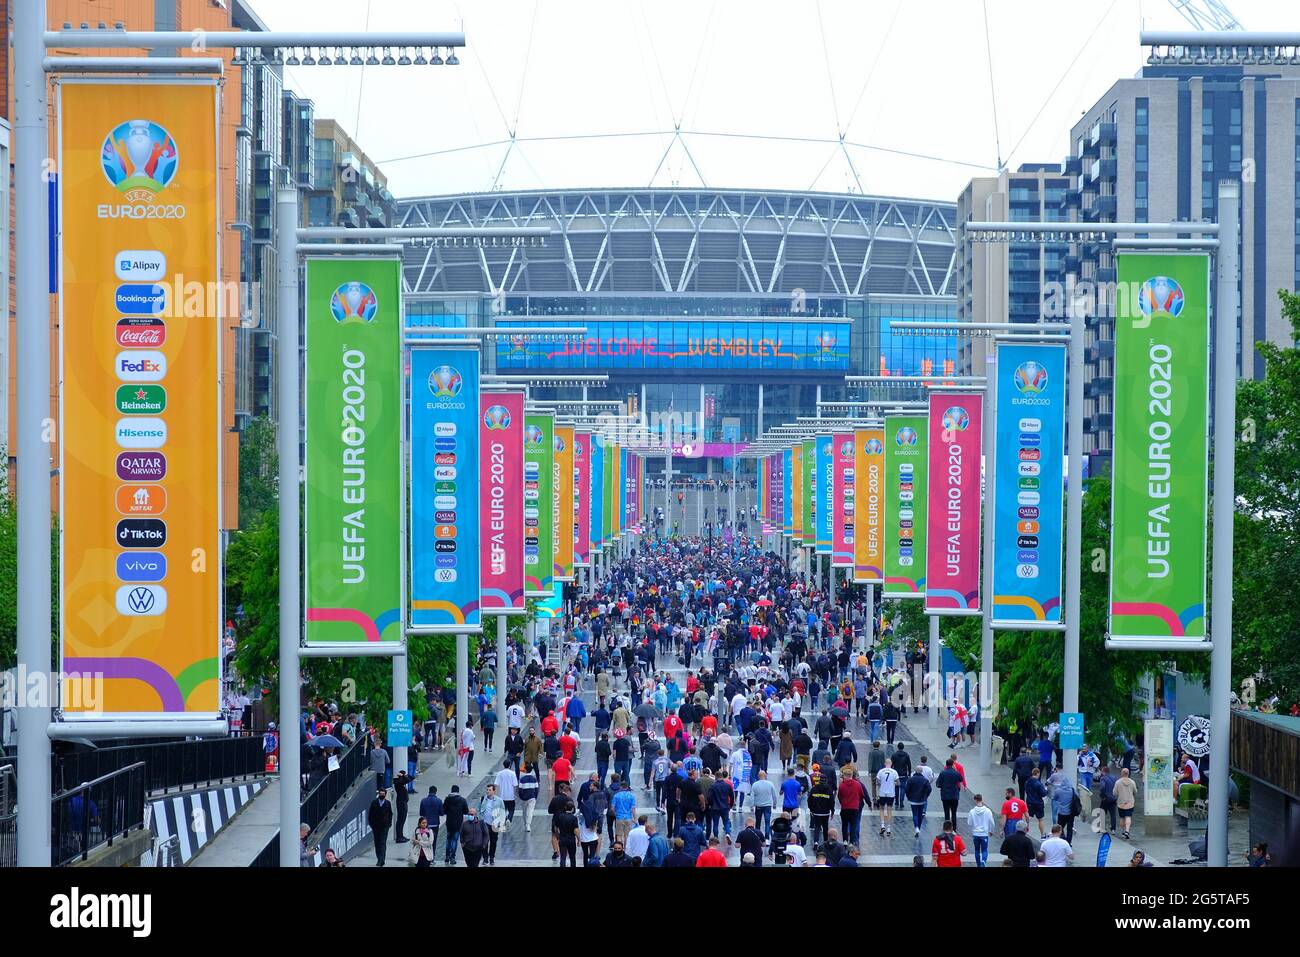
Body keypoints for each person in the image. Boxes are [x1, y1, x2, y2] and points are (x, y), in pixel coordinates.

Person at [478, 784, 505, 865]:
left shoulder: (499, 800)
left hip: (494, 824)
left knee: (493, 842)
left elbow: (502, 812)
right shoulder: (483, 799)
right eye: (487, 790)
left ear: (494, 791)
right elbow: (479, 809)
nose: (488, 791)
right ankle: (485, 858)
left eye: (489, 790)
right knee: (484, 842)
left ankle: (492, 857)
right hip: (485, 823)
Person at [442, 784, 469, 865]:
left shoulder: (447, 799)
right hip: (458, 824)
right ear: (458, 791)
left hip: (449, 823)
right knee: (454, 840)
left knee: (448, 839)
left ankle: (447, 856)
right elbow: (466, 811)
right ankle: (452, 857)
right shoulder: (462, 800)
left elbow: (444, 811)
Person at [966, 793, 995, 868]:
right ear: (982, 800)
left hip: (975, 834)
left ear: (975, 800)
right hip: (984, 834)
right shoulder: (988, 811)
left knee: (977, 850)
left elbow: (969, 823)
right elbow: (992, 822)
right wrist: (991, 831)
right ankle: (983, 861)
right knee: (984, 850)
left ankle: (978, 865)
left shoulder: (972, 811)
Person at [367, 787, 393, 866]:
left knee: (382, 843)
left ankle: (381, 859)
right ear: (378, 794)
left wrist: (389, 823)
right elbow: (370, 814)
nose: (382, 795)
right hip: (376, 826)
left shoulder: (388, 803)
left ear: (385, 794)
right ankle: (379, 857)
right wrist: (371, 824)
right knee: (377, 843)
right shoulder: (374, 803)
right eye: (380, 794)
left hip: (384, 826)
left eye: (383, 794)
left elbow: (390, 814)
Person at [904, 765, 932, 836]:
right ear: (921, 771)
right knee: (920, 815)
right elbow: (929, 789)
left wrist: (908, 796)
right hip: (922, 800)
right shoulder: (925, 780)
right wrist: (926, 796)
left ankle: (916, 827)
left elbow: (907, 789)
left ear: (915, 771)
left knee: (915, 814)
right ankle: (918, 827)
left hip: (913, 800)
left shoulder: (911, 779)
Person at [936, 758, 963, 830]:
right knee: (954, 813)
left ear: (946, 764)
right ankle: (954, 828)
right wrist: (956, 770)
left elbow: (938, 784)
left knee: (946, 812)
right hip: (954, 795)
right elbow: (961, 779)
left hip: (945, 796)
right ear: (953, 765)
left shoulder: (943, 773)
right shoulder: (956, 773)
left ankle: (947, 828)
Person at [418, 786, 443, 862]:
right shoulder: (439, 801)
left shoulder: (423, 801)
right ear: (436, 792)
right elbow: (441, 813)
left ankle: (424, 856)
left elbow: (421, 813)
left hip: (425, 824)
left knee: (424, 841)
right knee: (433, 841)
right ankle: (432, 858)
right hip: (435, 824)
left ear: (429, 791)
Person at [1051, 774, 1078, 844]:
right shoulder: (1072, 790)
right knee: (1069, 827)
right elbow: (1077, 797)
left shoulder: (1058, 790)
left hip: (1061, 812)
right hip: (1070, 813)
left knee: (1060, 826)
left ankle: (1062, 838)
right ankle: (1069, 841)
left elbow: (1054, 798)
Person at [876, 758, 899, 836]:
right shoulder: (894, 772)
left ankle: (882, 825)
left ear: (885, 763)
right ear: (891, 764)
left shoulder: (881, 771)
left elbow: (877, 782)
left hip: (882, 792)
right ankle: (888, 828)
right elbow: (898, 783)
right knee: (889, 810)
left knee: (882, 809)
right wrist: (893, 783)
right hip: (891, 793)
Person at [552, 800, 579, 868]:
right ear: (572, 808)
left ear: (565, 807)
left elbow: (556, 827)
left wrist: (558, 835)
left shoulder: (560, 817)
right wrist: (579, 839)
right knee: (572, 857)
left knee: (563, 857)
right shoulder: (574, 818)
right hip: (571, 839)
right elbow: (576, 830)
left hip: (563, 839)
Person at [1024, 766, 1048, 838]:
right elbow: (1043, 794)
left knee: (1028, 818)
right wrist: (1046, 790)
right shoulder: (1039, 784)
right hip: (1038, 803)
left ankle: (1024, 831)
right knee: (1040, 819)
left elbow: (1026, 790)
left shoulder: (1027, 782)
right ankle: (1042, 834)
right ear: (1038, 773)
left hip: (1029, 802)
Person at [1114, 766, 1138, 840]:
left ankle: (1123, 831)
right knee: (1128, 817)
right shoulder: (1132, 782)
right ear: (1128, 773)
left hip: (1121, 802)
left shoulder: (1118, 782)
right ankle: (1127, 831)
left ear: (1121, 773)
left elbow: (1114, 793)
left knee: (1122, 817)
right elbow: (1135, 792)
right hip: (1130, 802)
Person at [517, 764, 541, 833]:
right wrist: (535, 797)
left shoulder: (522, 779)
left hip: (524, 797)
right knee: (530, 811)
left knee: (524, 812)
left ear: (525, 770)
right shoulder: (534, 779)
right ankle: (528, 825)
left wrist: (521, 796)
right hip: (532, 797)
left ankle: (525, 824)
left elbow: (520, 789)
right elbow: (536, 789)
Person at [392, 770, 410, 842]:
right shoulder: (398, 782)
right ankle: (399, 837)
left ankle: (401, 835)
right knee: (400, 820)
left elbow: (407, 780)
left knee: (402, 820)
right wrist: (402, 776)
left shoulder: (400, 782)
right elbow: (407, 780)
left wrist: (403, 776)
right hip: (401, 803)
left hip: (403, 802)